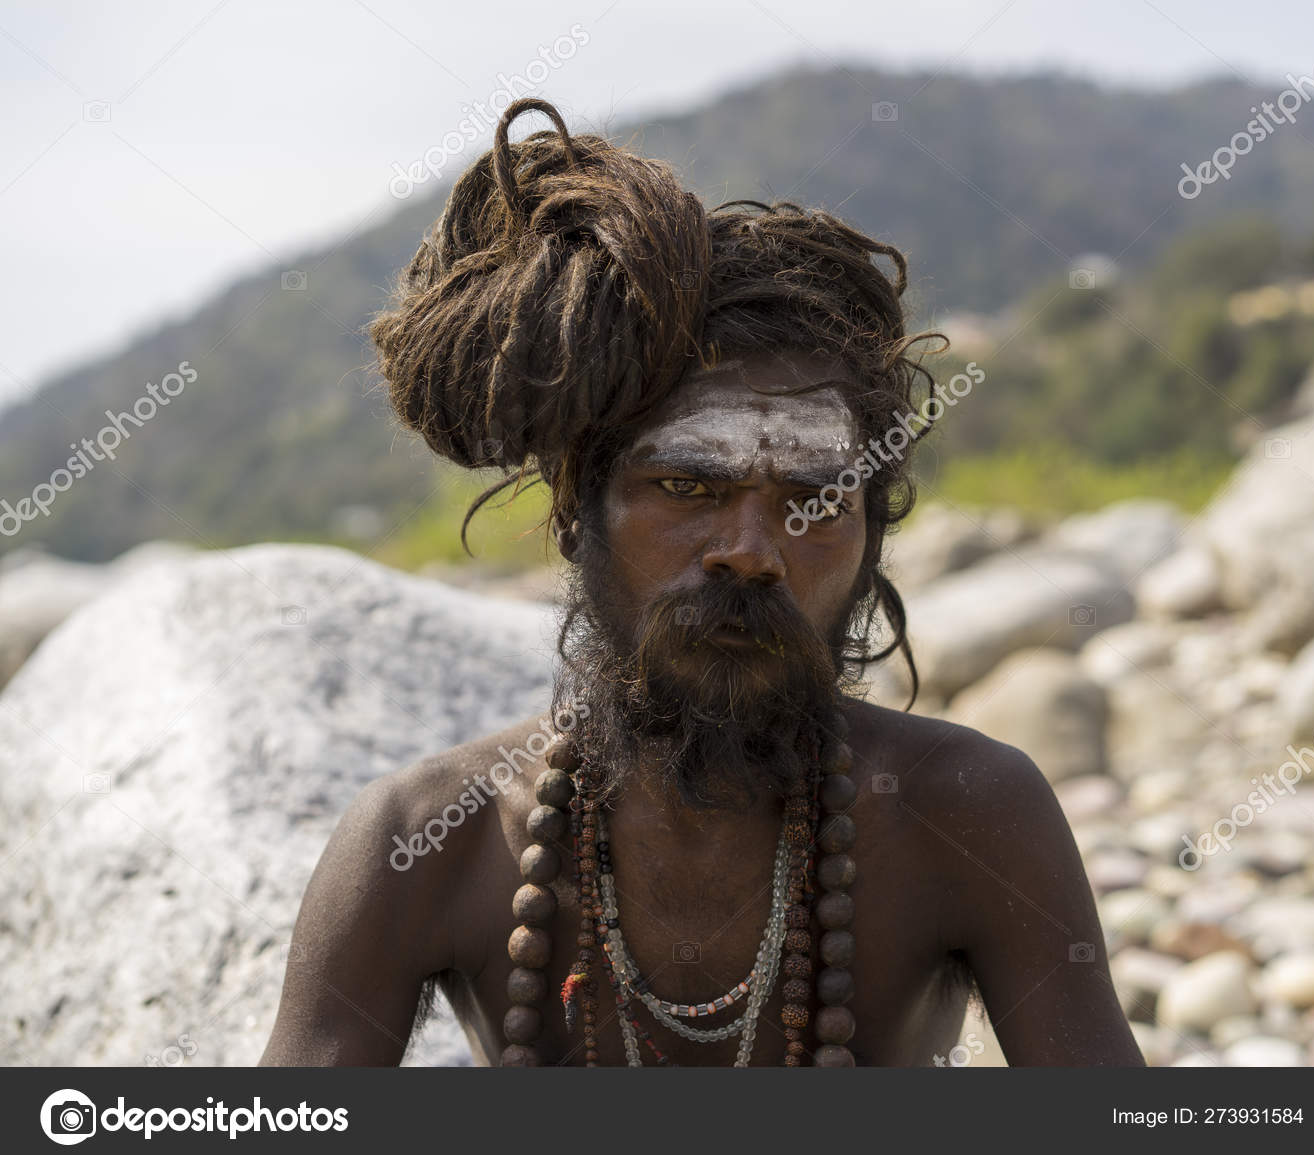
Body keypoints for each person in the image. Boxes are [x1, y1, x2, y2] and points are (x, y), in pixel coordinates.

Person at [259, 98, 1140, 1068]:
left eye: (815, 499)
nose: (752, 550)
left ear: (872, 537)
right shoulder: (423, 843)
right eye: (686, 485)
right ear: (574, 509)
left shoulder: (971, 815)